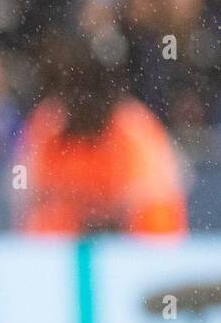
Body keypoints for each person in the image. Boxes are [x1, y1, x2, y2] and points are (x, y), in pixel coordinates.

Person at [12, 34, 188, 236]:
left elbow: (155, 195)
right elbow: (23, 192)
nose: (87, 99)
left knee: (157, 217)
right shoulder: (48, 123)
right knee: (46, 220)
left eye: (95, 89)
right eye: (78, 87)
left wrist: (100, 216)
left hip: (128, 240)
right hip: (68, 239)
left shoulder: (134, 127)